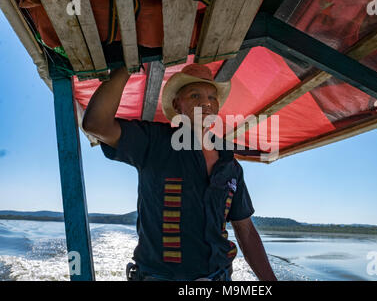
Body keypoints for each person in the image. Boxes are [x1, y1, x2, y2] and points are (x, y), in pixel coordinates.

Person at [82, 63, 277, 281]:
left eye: (212, 97)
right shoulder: (154, 143)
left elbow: (246, 230)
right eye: (195, 95)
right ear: (177, 105)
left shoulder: (230, 165)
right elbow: (96, 124)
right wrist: (126, 65)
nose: (206, 103)